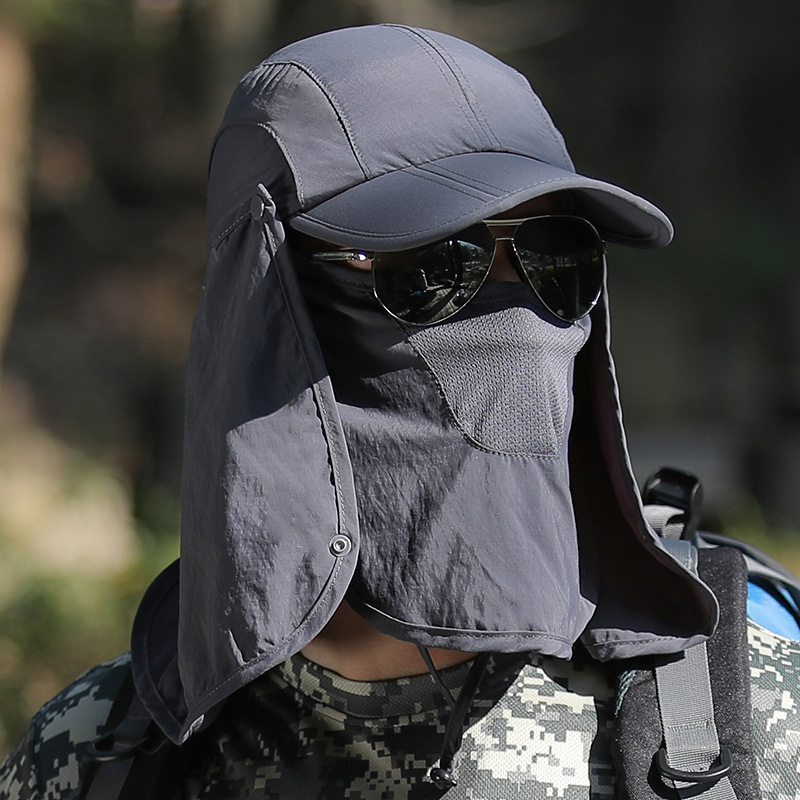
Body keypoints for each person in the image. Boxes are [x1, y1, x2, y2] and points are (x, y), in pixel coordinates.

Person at [0, 23, 728, 799]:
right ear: (264, 302)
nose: (516, 319)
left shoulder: (725, 734)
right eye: (432, 264)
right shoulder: (94, 759)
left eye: (557, 259)